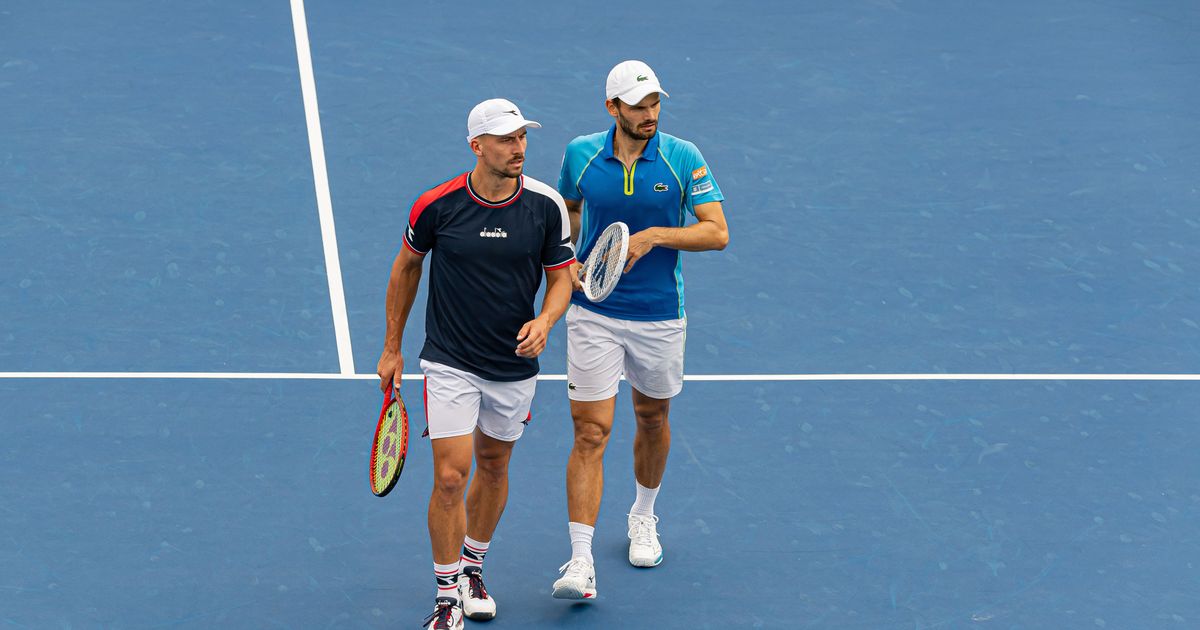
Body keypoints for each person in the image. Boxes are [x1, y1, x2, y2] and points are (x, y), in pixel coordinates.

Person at [377, 98, 575, 628]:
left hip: (513, 363)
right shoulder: (436, 206)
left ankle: (472, 568)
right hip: (449, 360)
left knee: (493, 467)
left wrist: (546, 322)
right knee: (450, 476)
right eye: (508, 139)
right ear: (477, 146)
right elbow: (406, 270)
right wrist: (393, 346)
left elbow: (562, 277)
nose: (519, 148)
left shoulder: (545, 206)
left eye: (523, 137)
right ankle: (446, 599)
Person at [550, 60, 730, 600]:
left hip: (657, 314)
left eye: (655, 104)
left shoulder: (682, 157)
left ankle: (643, 514)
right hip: (594, 312)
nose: (650, 114)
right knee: (590, 432)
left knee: (652, 416)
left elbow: (716, 232)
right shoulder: (581, 154)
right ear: (613, 109)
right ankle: (580, 561)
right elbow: (570, 212)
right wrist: (568, 261)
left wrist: (654, 236)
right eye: (638, 105)